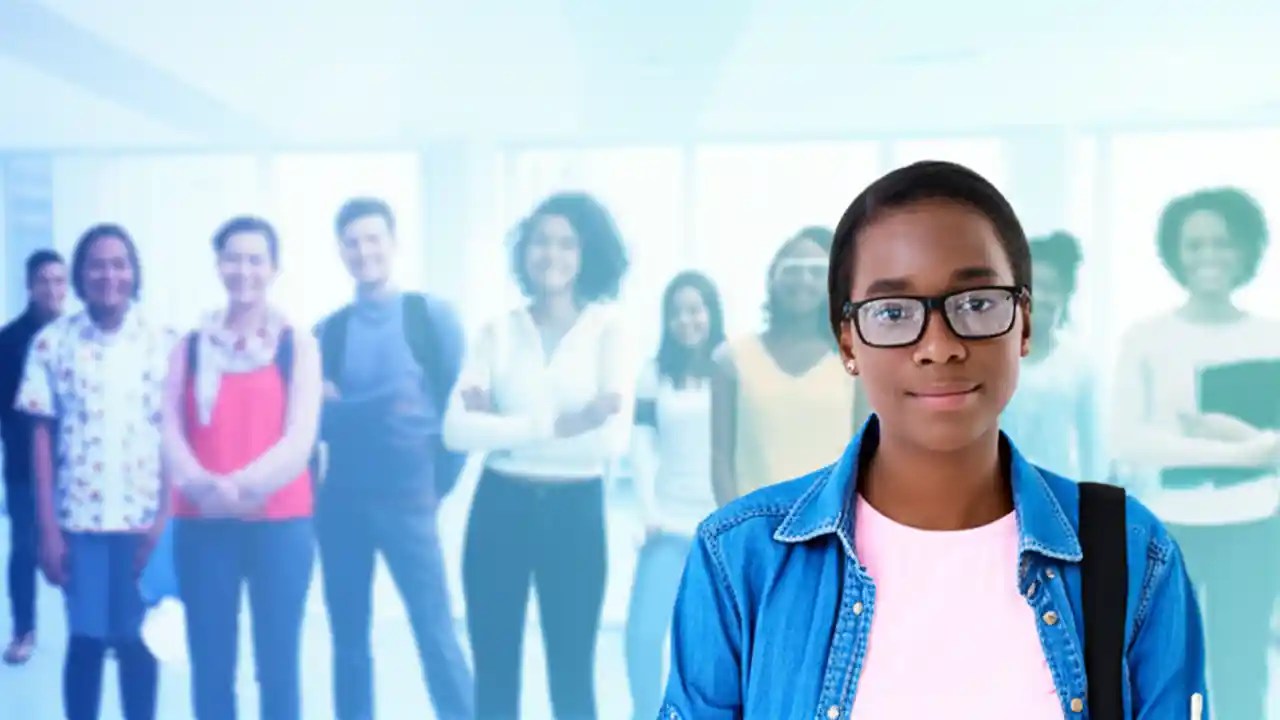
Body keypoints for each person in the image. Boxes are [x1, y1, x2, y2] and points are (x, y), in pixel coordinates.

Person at [661, 161, 1207, 718]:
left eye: (976, 303)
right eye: (893, 312)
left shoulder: (1132, 551)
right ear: (847, 340)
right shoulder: (740, 557)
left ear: (1025, 323)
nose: (938, 346)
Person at [444, 191, 633, 719]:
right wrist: (558, 425)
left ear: (585, 254)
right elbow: (456, 430)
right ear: (524, 253)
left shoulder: (609, 331)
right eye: (541, 242)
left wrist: (500, 428)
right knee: (495, 674)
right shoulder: (496, 332)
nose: (552, 254)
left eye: (566, 243)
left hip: (576, 513)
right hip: (499, 508)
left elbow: (610, 441)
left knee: (571, 675)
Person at [1110, 186, 1280, 719]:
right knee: (1164, 661)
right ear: (1174, 254)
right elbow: (1130, 441)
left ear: (1247, 250)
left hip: (1256, 521)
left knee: (1242, 658)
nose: (1210, 257)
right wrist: (1248, 451)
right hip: (1170, 523)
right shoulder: (1147, 338)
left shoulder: (1269, 338)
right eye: (1195, 245)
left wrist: (1218, 440)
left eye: (1222, 244)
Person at [315, 197, 473, 720]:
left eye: (373, 239)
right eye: (352, 242)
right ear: (341, 250)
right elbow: (317, 423)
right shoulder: (329, 332)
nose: (364, 251)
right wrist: (390, 409)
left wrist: (435, 485)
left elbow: (461, 412)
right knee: (350, 642)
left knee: (435, 631)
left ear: (393, 243)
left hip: (410, 502)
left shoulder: (430, 317)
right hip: (341, 508)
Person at [160, 217, 322, 720]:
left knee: (277, 668)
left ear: (274, 268)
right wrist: (202, 488)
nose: (244, 269)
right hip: (202, 522)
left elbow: (300, 439)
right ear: (218, 265)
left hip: (281, 524)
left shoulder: (298, 345)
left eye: (256, 259)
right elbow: (168, 428)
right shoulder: (189, 347)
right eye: (233, 257)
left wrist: (239, 488)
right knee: (210, 668)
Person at [17, 225, 175, 720]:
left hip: (141, 522)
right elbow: (39, 438)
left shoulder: (162, 344)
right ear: (81, 276)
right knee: (84, 643)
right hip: (79, 524)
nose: (110, 275)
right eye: (97, 265)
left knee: (136, 643)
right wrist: (47, 530)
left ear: (134, 272)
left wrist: (163, 522)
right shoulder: (51, 343)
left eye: (120, 264)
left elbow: (174, 437)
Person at [623, 271, 724, 719]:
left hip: (720, 526)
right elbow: (641, 446)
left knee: (715, 645)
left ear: (711, 314)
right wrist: (646, 510)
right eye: (677, 312)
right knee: (643, 636)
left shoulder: (729, 367)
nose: (687, 320)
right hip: (666, 524)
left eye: (696, 310)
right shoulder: (654, 372)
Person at [710, 227, 859, 505]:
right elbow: (721, 458)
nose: (803, 280)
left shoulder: (856, 358)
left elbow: (868, 456)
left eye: (815, 272)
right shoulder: (731, 359)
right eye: (792, 270)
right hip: (756, 529)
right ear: (772, 278)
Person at [0, 250, 66, 665]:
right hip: (25, 467)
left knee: (86, 548)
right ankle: (24, 631)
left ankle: (100, 628)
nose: (53, 289)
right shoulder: (8, 341)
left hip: (78, 465)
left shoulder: (77, 336)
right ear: (29, 285)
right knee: (25, 549)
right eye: (44, 280)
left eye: (60, 281)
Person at [1000, 231, 1098, 479]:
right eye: (1030, 287)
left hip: (1057, 495)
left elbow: (1093, 447)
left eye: (1050, 288)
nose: (1040, 297)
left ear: (1065, 295)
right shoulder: (990, 359)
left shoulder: (1078, 364)